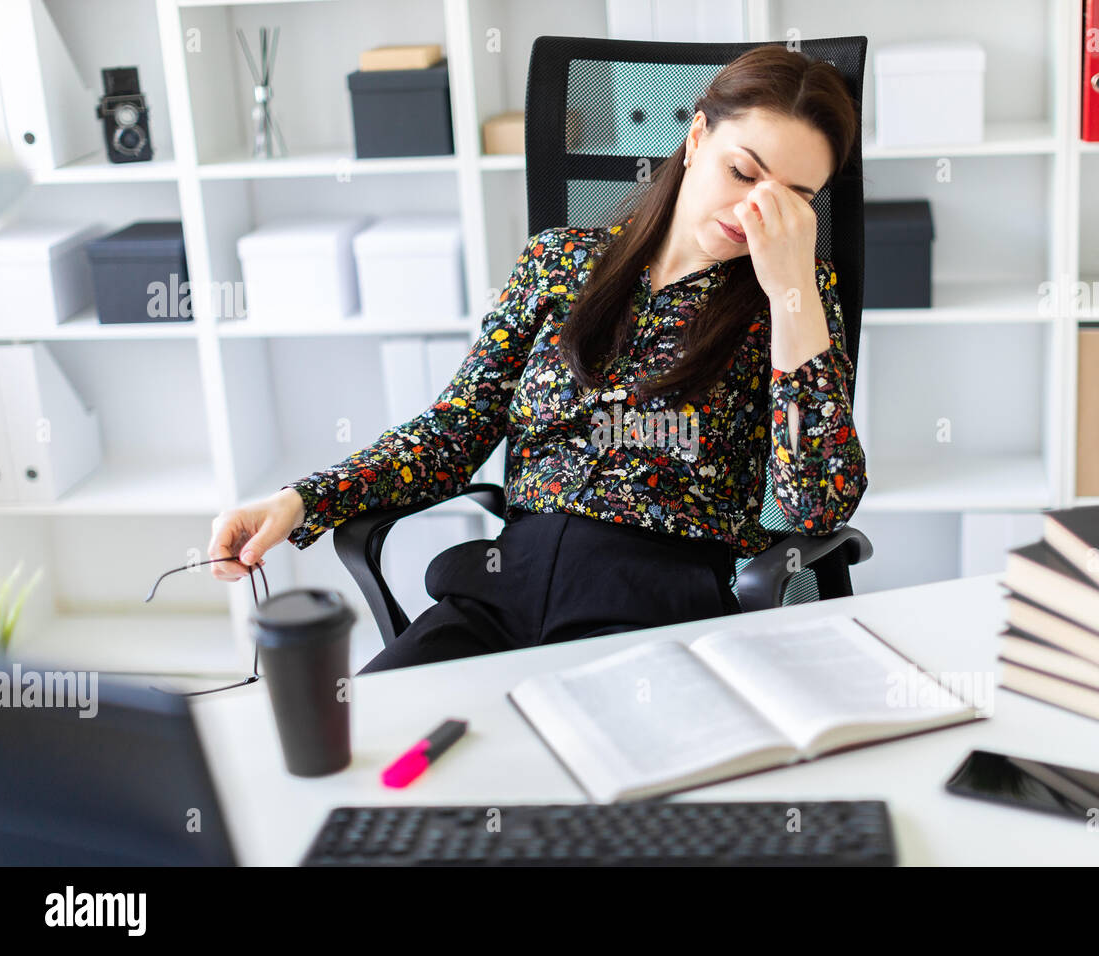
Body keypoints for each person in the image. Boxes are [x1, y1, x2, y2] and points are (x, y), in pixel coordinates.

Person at [208, 44, 868, 673]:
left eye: (791, 199)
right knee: (384, 742)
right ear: (696, 140)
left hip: (654, 607)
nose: (755, 209)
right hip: (503, 589)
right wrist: (299, 501)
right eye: (743, 172)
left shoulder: (794, 306)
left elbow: (816, 509)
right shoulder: (557, 262)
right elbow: (453, 432)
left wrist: (790, 291)